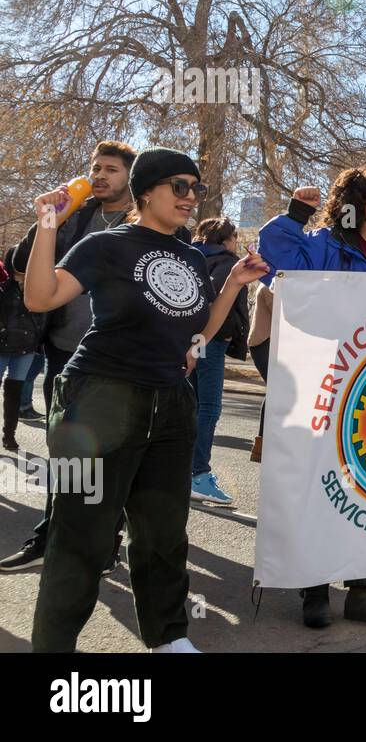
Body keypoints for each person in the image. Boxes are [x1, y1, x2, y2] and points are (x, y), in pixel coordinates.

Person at [26, 147, 267, 652]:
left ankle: (169, 639)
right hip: (98, 399)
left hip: (170, 403)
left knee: (163, 536)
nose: (191, 197)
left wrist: (232, 286)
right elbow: (41, 297)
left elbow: (198, 334)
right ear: (146, 191)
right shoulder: (106, 245)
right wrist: (48, 224)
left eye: (196, 189)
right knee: (82, 539)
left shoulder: (192, 257)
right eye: (180, 186)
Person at [259, 163, 366, 630]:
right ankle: (313, 589)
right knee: (321, 486)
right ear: (357, 201)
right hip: (327, 382)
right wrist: (295, 214)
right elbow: (277, 261)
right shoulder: (327, 244)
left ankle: (364, 590)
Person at [0, 141, 138, 574]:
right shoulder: (76, 216)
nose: (99, 175)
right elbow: (22, 265)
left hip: (119, 361)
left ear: (131, 179)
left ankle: (106, 540)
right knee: (65, 451)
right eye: (95, 167)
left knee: (110, 456)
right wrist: (47, 219)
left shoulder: (144, 223)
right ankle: (49, 534)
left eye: (111, 170)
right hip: (65, 352)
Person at [188, 217, 249, 506]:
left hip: (189, 339)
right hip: (211, 339)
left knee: (192, 404)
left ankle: (184, 470)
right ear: (228, 239)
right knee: (209, 407)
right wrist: (228, 334)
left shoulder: (190, 257)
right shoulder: (227, 262)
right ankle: (198, 474)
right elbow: (223, 303)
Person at [1, 247, 46, 451]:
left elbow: (44, 316)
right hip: (2, 347)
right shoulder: (4, 288)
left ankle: (9, 436)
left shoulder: (36, 288)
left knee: (14, 394)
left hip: (26, 349)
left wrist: (39, 339)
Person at [246, 280, 273, 462]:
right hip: (264, 343)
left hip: (267, 343)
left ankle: (262, 445)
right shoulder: (272, 285)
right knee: (277, 391)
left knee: (274, 392)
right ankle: (262, 446)